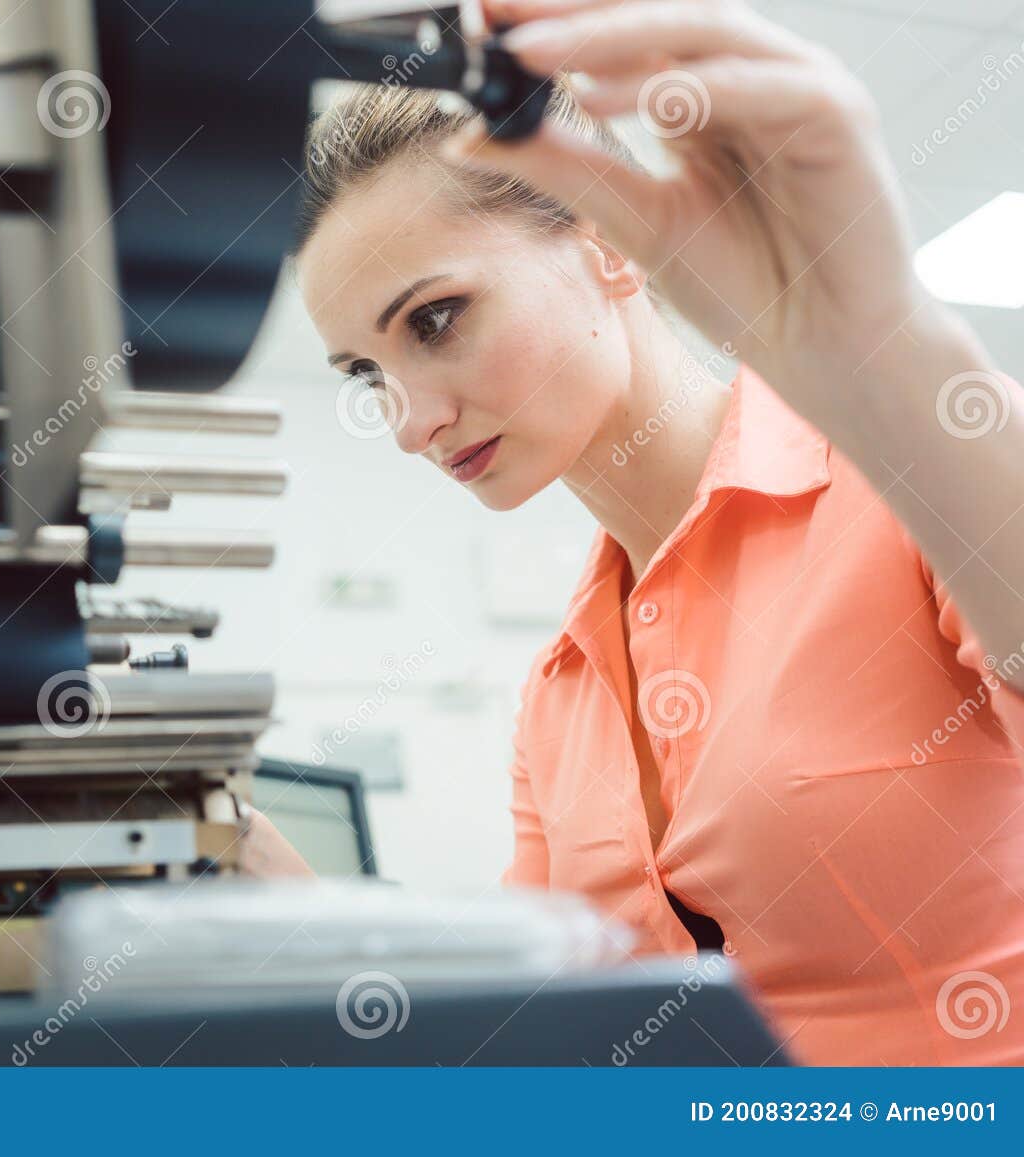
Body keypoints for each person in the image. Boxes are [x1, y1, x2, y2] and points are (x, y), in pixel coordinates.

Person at [240, 0, 1024, 1066]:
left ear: (605, 245)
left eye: (435, 320)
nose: (409, 420)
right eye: (367, 374)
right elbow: (529, 1042)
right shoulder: (558, 696)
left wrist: (886, 354)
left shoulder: (906, 495)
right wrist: (240, 854)